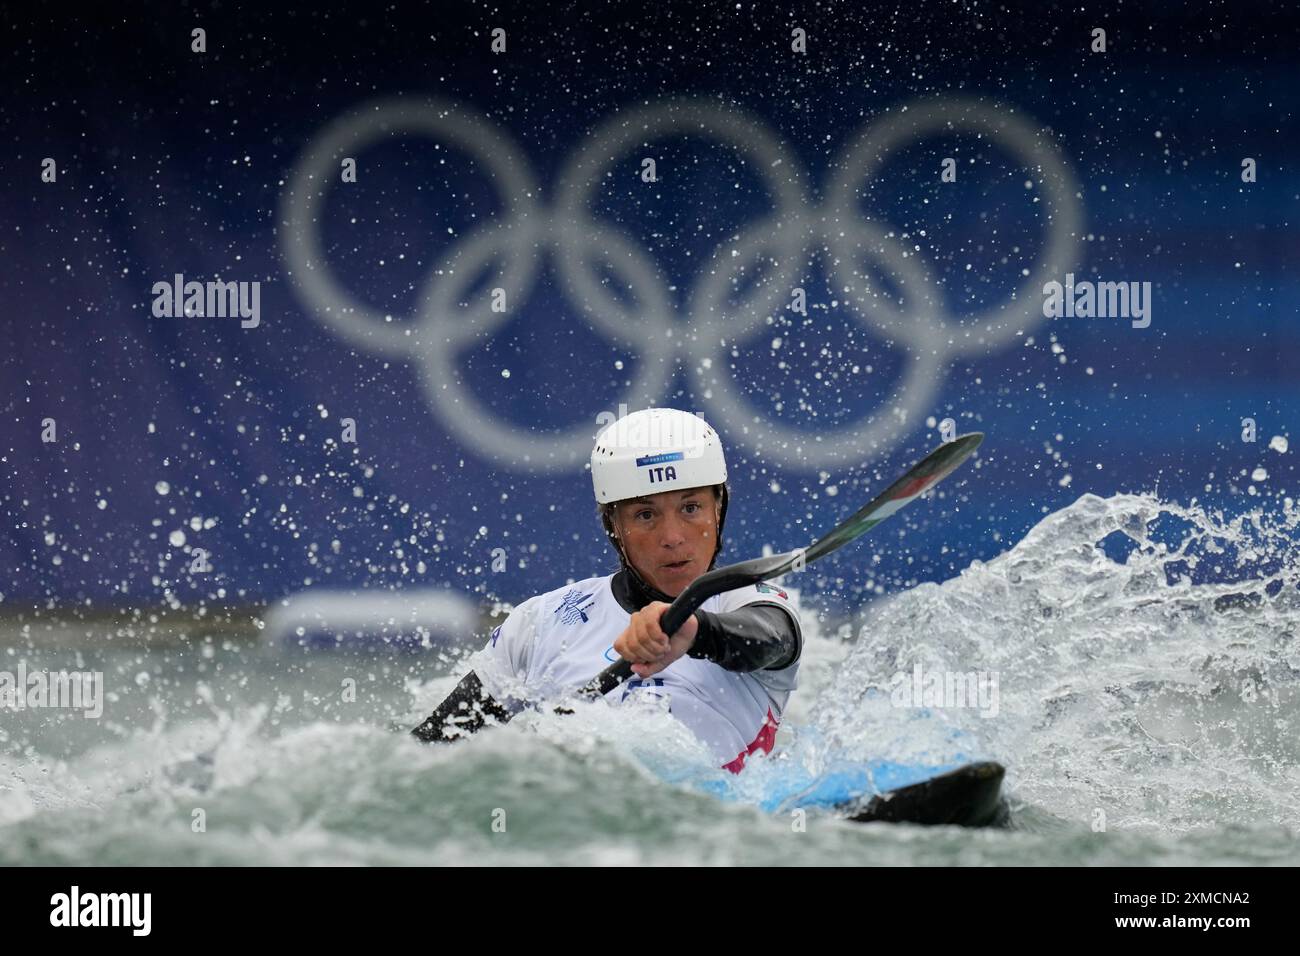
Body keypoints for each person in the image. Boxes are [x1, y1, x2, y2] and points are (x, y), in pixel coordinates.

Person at [411, 407, 802, 772]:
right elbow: (424, 757)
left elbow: (771, 639)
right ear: (613, 525)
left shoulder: (751, 604)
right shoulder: (539, 624)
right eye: (645, 515)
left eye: (690, 508)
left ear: (719, 508)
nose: (672, 537)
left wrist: (696, 631)